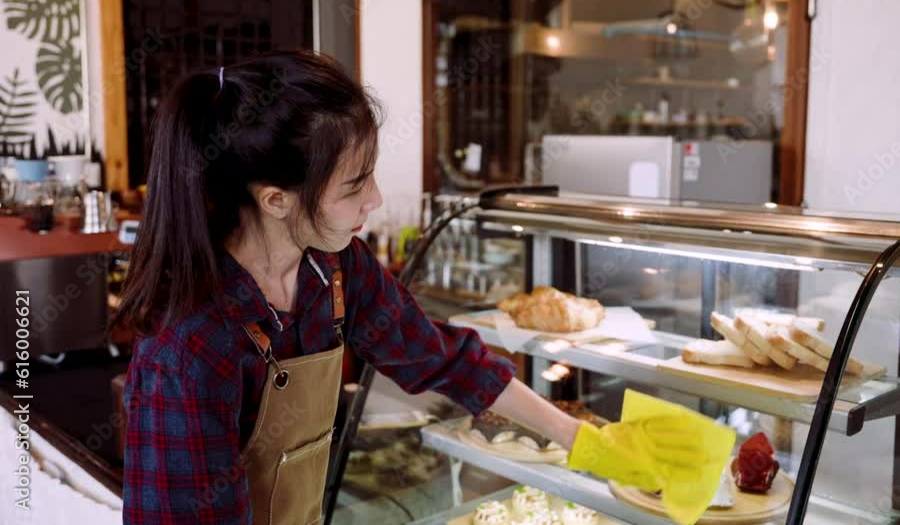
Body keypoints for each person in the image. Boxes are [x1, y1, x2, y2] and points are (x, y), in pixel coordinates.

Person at [114, 50, 709, 524]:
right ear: (276, 200)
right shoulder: (190, 347)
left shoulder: (337, 270)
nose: (373, 201)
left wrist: (583, 439)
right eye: (354, 186)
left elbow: (442, 359)